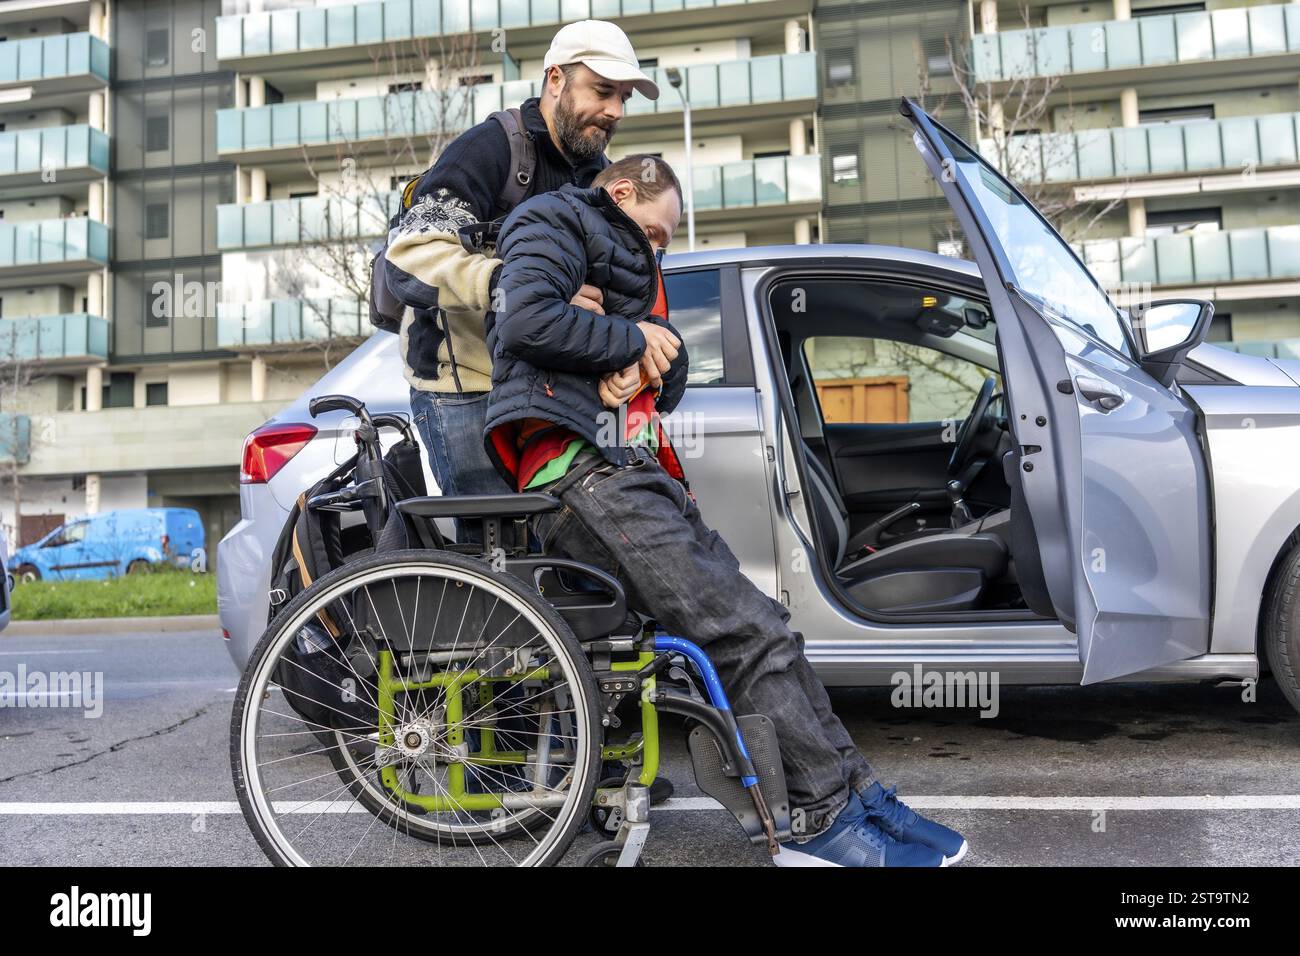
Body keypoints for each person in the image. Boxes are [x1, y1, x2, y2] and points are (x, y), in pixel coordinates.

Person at [483, 154, 971, 867]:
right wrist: (626, 338)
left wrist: (649, 352)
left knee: (769, 626)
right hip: (580, 470)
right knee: (740, 632)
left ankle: (858, 793)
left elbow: (670, 374)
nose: (659, 249)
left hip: (631, 465)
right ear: (620, 193)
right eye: (655, 232)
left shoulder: (624, 263)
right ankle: (816, 823)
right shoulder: (553, 219)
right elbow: (525, 321)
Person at [381, 20, 656, 512]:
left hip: (547, 390)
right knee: (492, 564)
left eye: (624, 98)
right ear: (555, 79)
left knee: (546, 562)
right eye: (602, 91)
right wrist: (521, 288)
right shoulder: (488, 149)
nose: (615, 110)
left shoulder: (597, 175)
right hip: (466, 391)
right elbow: (411, 257)